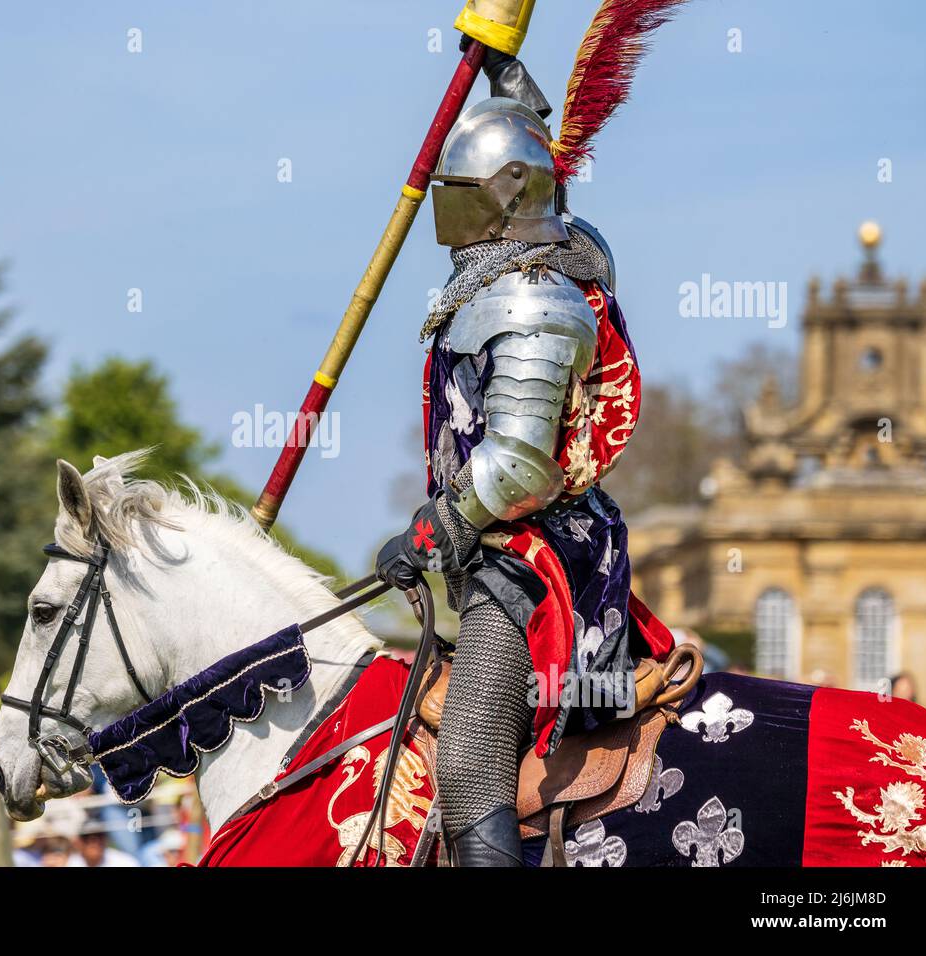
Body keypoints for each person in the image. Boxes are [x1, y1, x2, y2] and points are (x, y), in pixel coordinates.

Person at [374, 17, 682, 866]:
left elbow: (517, 464)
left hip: (533, 565)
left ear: (508, 193)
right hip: (510, 554)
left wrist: (433, 528)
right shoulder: (543, 257)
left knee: (470, 770)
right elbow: (544, 170)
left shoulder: (535, 300)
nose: (450, 203)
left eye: (466, 187)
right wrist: (504, 77)